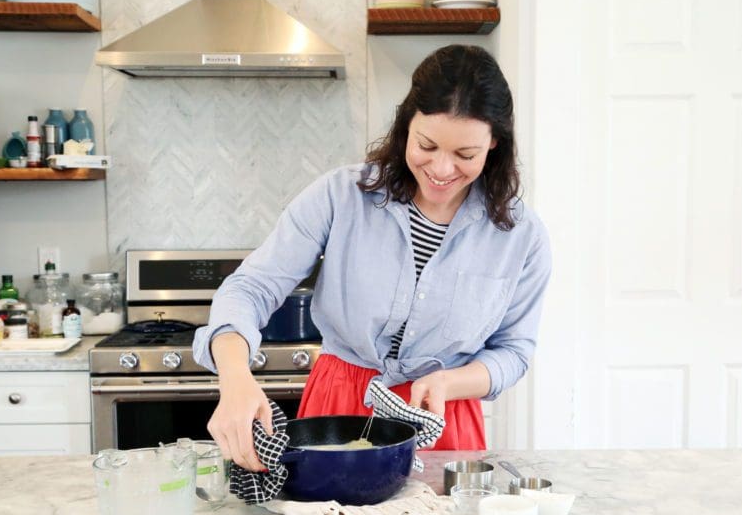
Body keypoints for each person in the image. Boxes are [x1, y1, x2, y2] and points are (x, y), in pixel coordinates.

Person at [191, 44, 552, 471]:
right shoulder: (341, 196)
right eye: (427, 145)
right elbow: (252, 287)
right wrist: (235, 377)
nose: (441, 169)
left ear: (495, 144)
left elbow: (513, 351)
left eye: (465, 155)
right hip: (339, 406)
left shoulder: (521, 237)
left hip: (444, 417)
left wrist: (451, 382)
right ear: (405, 126)